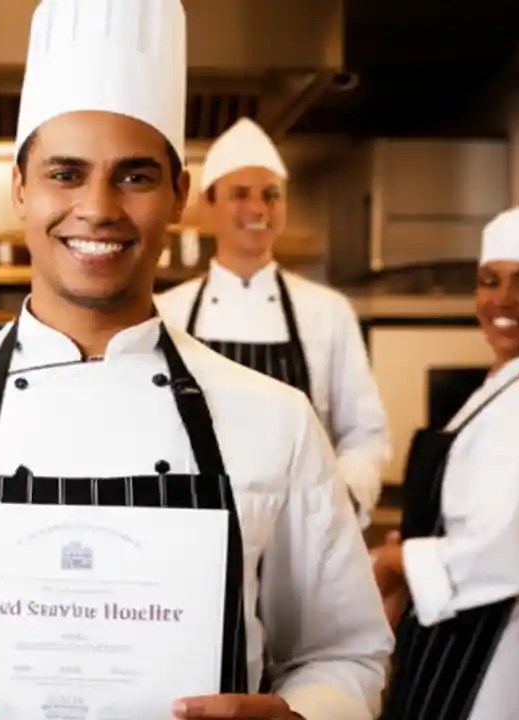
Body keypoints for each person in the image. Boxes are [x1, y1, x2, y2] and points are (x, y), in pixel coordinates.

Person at [0, 1, 393, 719]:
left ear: (177, 196)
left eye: (134, 176)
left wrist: (308, 715)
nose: (97, 207)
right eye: (65, 173)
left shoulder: (276, 421)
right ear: (19, 188)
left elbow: (345, 652)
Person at [371, 203, 519, 720]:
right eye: (489, 280)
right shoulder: (512, 383)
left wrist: (398, 560)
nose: (502, 300)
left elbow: (508, 552)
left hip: (492, 657)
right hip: (459, 638)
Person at [156, 117, 391, 526]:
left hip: (301, 525)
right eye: (240, 194)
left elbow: (365, 433)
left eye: (271, 195)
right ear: (207, 207)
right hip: (195, 524)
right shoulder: (166, 312)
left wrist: (343, 498)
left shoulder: (327, 311)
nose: (258, 208)